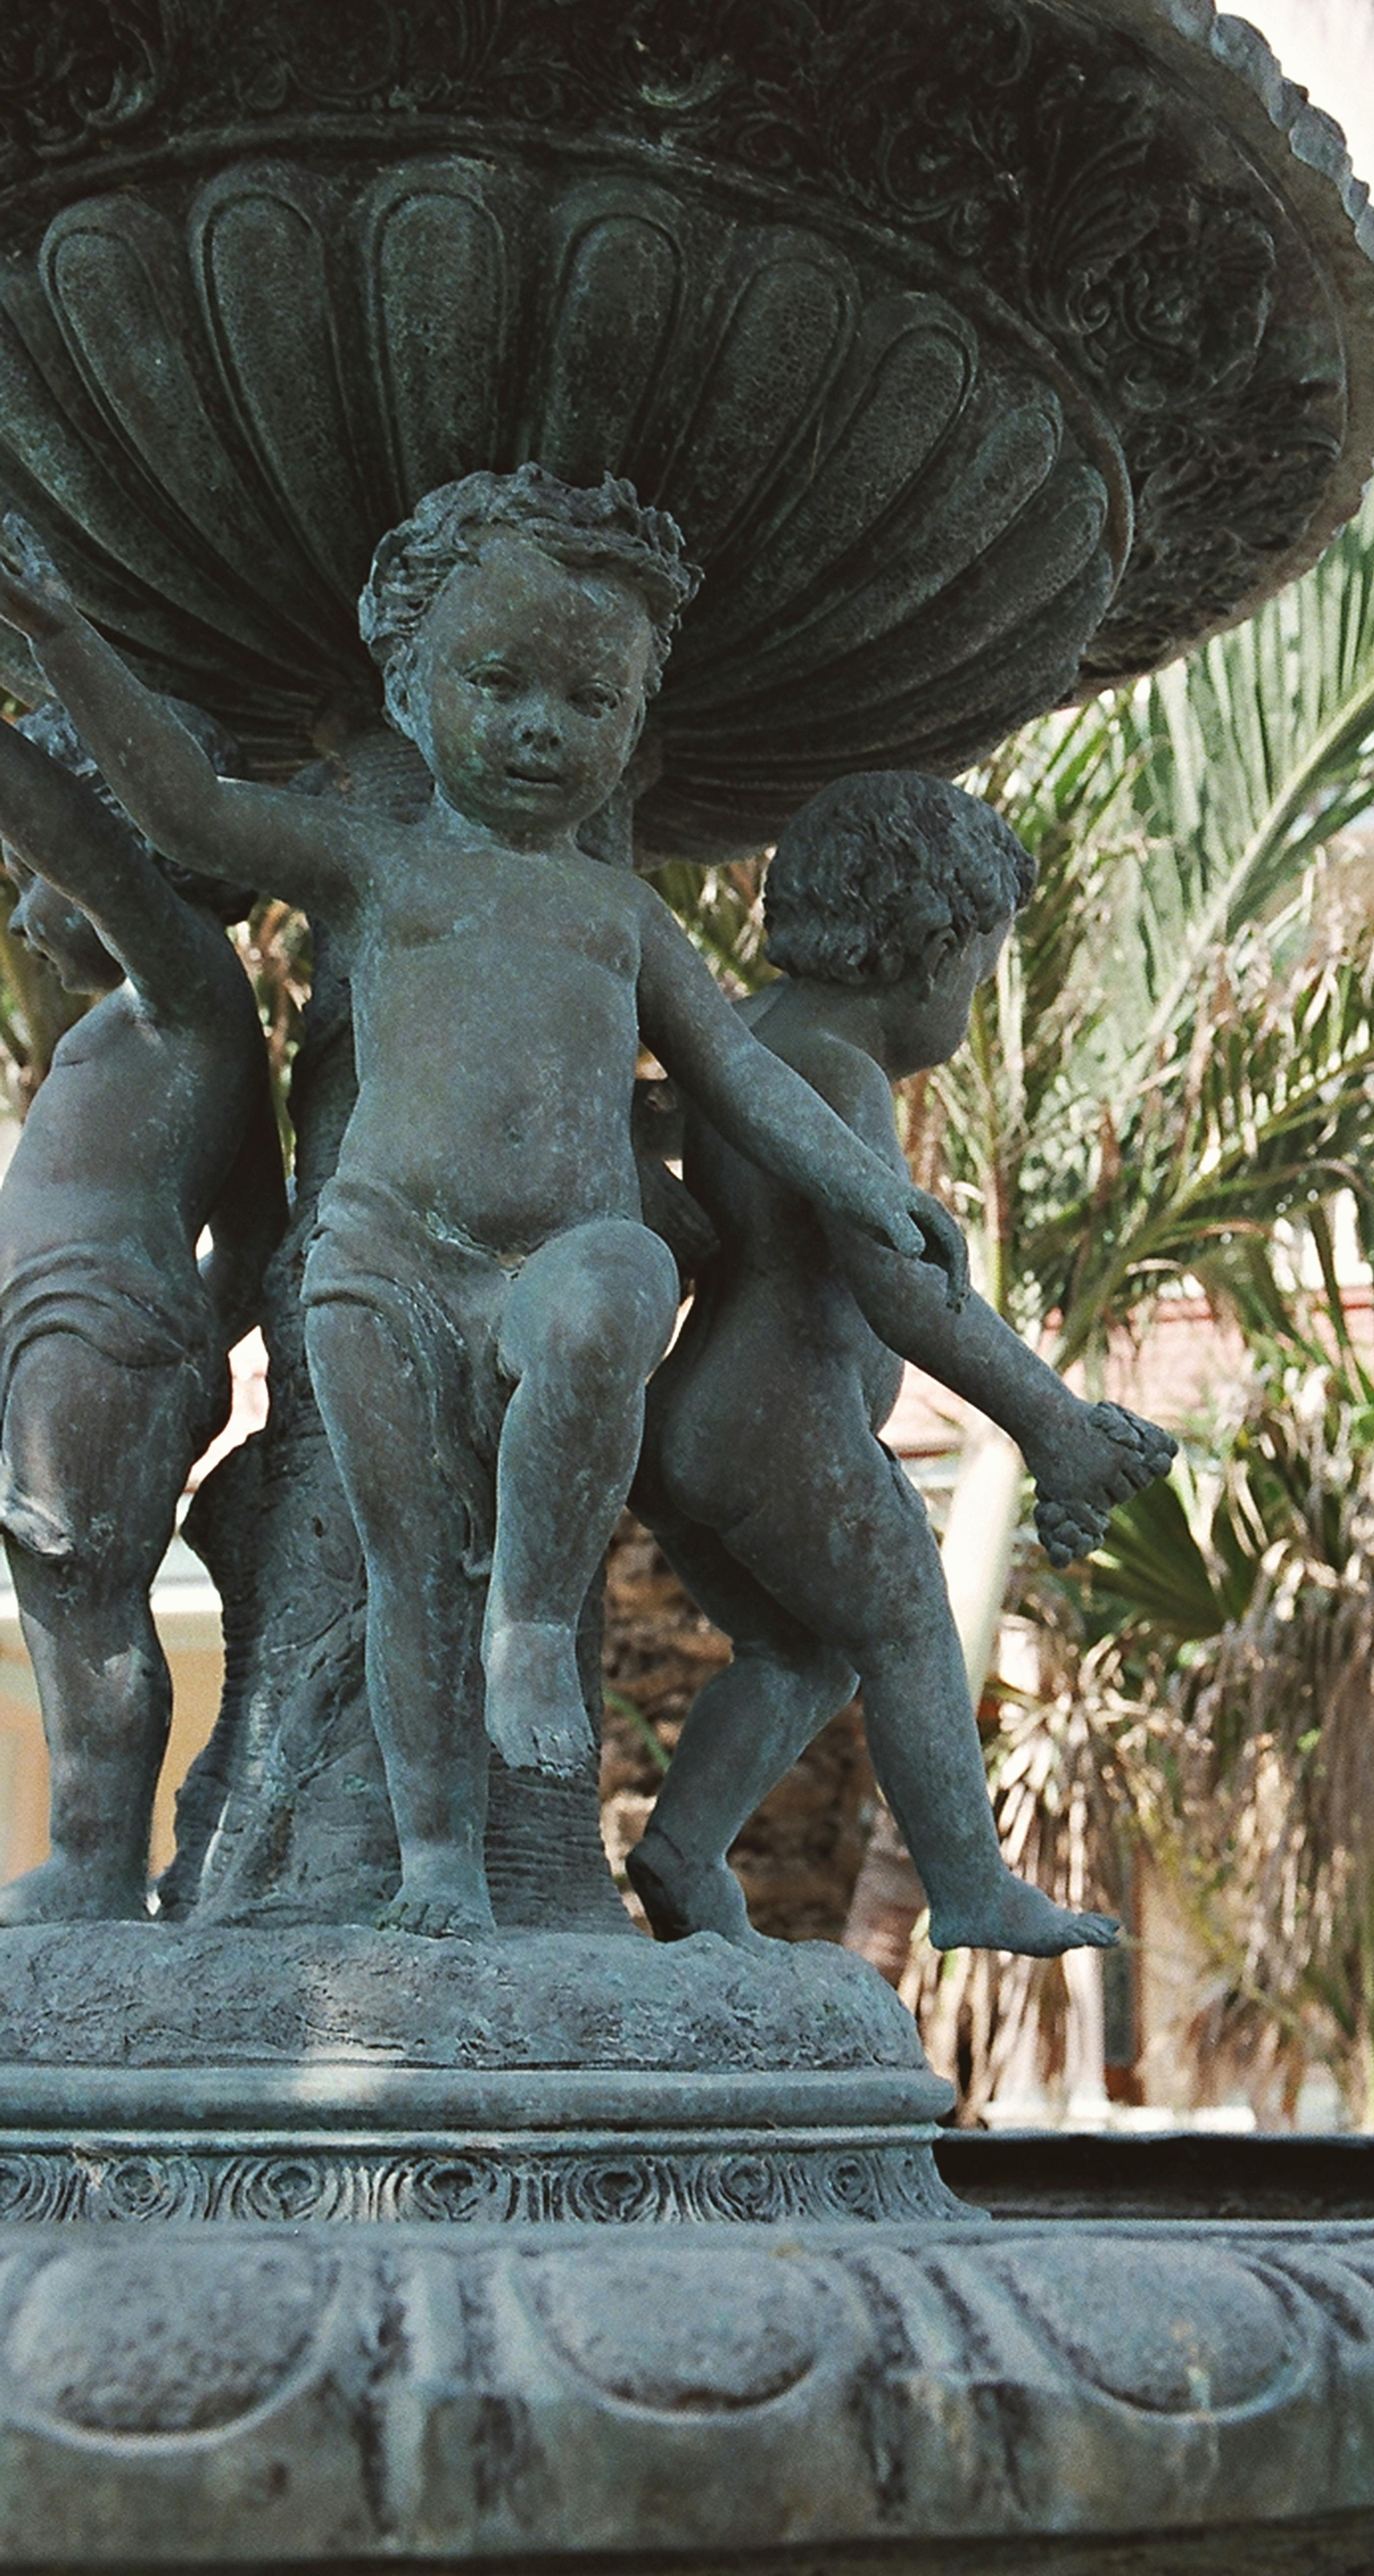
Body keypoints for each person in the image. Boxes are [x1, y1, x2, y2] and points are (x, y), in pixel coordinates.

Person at [0, 473, 966, 1939]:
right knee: (403, 1581)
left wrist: (870, 1187)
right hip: (382, 1262)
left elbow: (747, 1081)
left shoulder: (617, 913)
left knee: (620, 1287)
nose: (540, 728)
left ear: (635, 719)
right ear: (408, 681)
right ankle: (441, 1860)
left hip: (561, 1249)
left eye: (588, 699)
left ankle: (535, 1611)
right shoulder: (373, 863)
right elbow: (177, 807)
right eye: (498, 682)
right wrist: (56, 630)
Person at [628, 770, 1175, 1960]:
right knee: (910, 1626)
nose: (974, 996)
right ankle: (970, 1888)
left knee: (800, 1651)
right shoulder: (835, 1072)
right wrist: (1053, 1422)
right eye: (983, 970)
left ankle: (681, 1848)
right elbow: (902, 1293)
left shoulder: (745, 1036)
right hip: (783, 1425)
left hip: (690, 1425)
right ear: (931, 954)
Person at [0, 699, 284, 1923]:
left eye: (33, 876)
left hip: (99, 1332)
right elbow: (261, 1236)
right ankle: (93, 1857)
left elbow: (79, 831)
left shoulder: (186, 980)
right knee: (62, 1600)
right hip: (85, 1333)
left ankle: (97, 1861)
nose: (23, 912)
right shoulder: (155, 1017)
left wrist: (150, 1350)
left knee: (86, 1600)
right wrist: (186, 1351)